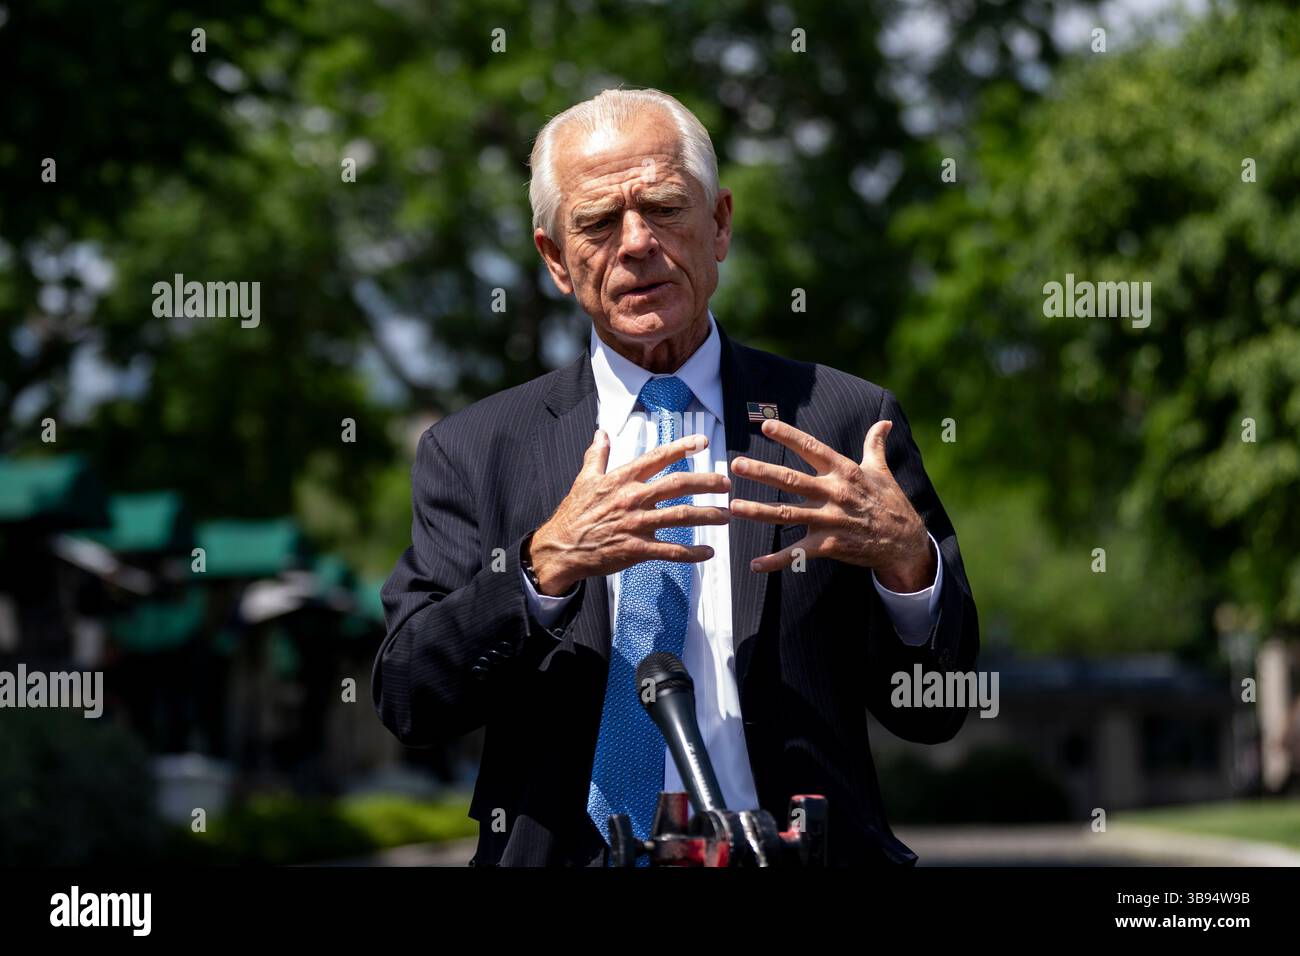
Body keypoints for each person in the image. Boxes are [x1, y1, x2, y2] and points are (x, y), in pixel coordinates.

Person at [372, 88, 978, 866]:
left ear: (719, 224)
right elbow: (408, 698)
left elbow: (935, 709)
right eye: (595, 223)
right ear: (555, 259)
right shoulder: (477, 449)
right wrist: (541, 568)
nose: (635, 243)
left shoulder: (842, 421)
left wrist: (909, 568)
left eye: (662, 207)